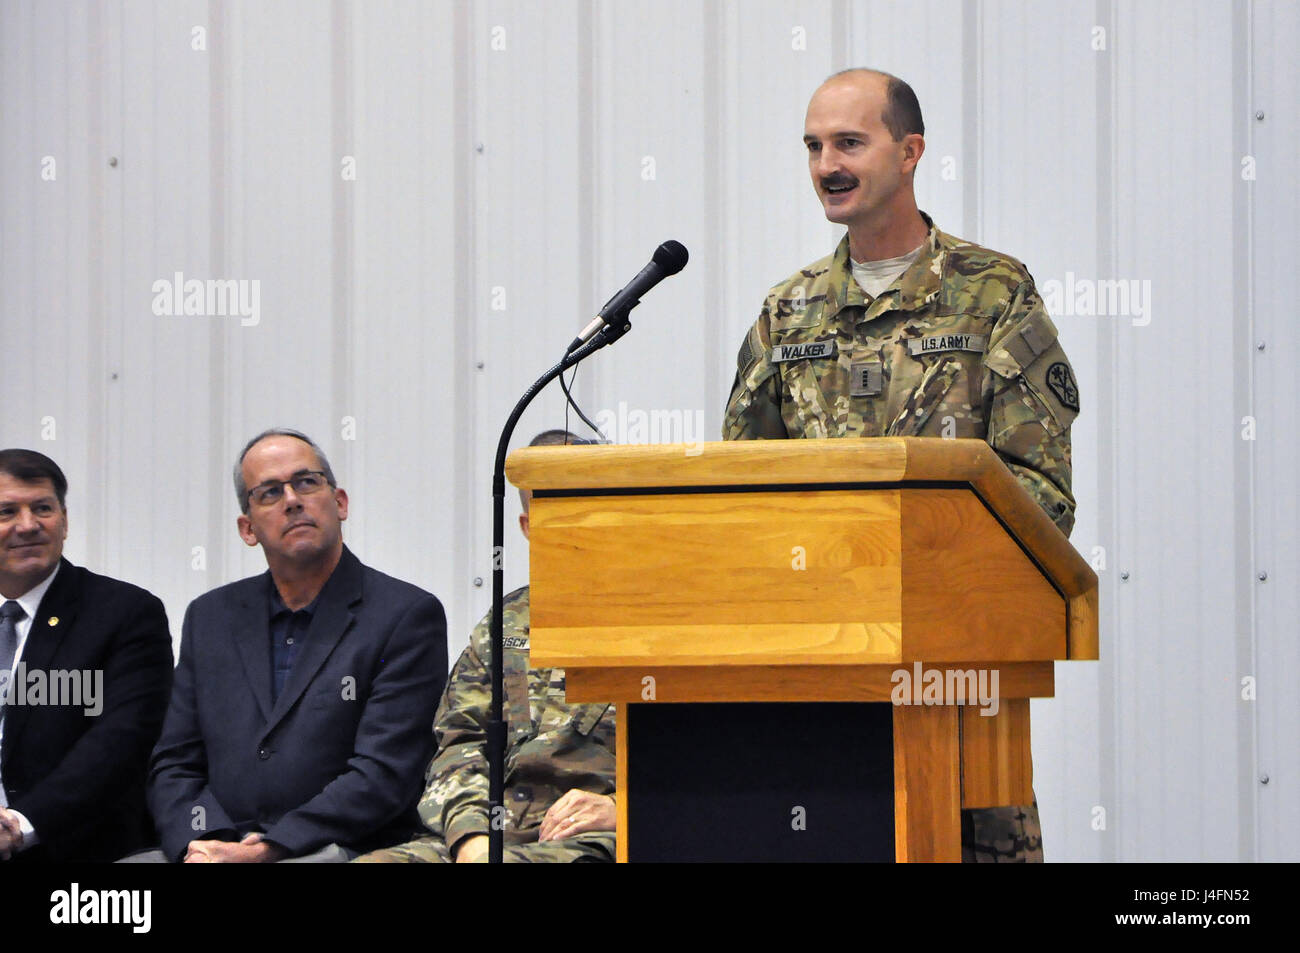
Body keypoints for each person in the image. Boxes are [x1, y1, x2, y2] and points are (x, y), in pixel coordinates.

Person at [722, 69, 1080, 862]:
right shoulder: (789, 311)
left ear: (910, 151)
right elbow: (741, 496)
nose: (826, 164)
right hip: (819, 684)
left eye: (849, 142)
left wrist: (923, 578)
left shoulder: (993, 293)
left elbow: (1041, 490)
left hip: (958, 681)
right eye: (814, 147)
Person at [143, 428, 447, 862]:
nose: (291, 500)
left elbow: (384, 773)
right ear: (247, 529)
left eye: (306, 482)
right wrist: (204, 841)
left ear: (339, 502)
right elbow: (174, 763)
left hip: (341, 848)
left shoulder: (405, 615)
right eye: (269, 492)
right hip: (217, 844)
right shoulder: (209, 617)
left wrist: (268, 849)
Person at [356, 430, 615, 863]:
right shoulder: (504, 623)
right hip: (491, 835)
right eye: (551, 506)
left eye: (583, 499)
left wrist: (622, 810)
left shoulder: (662, 619)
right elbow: (459, 743)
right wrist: (473, 839)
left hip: (594, 838)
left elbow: (702, 757)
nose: (572, 518)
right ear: (527, 527)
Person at [0, 449, 173, 863]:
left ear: (64, 520)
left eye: (43, 508)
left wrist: (20, 826)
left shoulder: (124, 613)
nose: (28, 526)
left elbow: (119, 745)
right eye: (7, 512)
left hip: (71, 856)